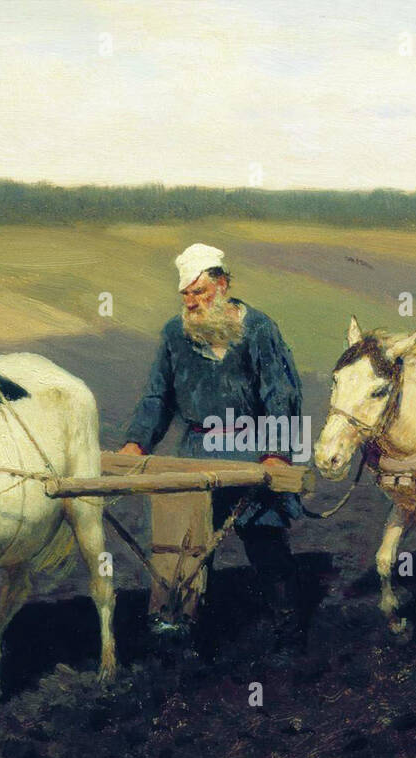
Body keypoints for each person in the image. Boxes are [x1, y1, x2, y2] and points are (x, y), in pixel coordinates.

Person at [120, 243, 303, 631]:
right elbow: (158, 395)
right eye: (185, 295)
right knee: (186, 545)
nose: (191, 303)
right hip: (196, 450)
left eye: (199, 293)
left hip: (250, 448)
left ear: (221, 285)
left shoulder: (259, 329)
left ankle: (287, 623)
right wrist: (137, 442)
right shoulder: (175, 334)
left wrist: (276, 453)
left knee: (264, 537)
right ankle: (178, 623)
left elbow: (280, 394)